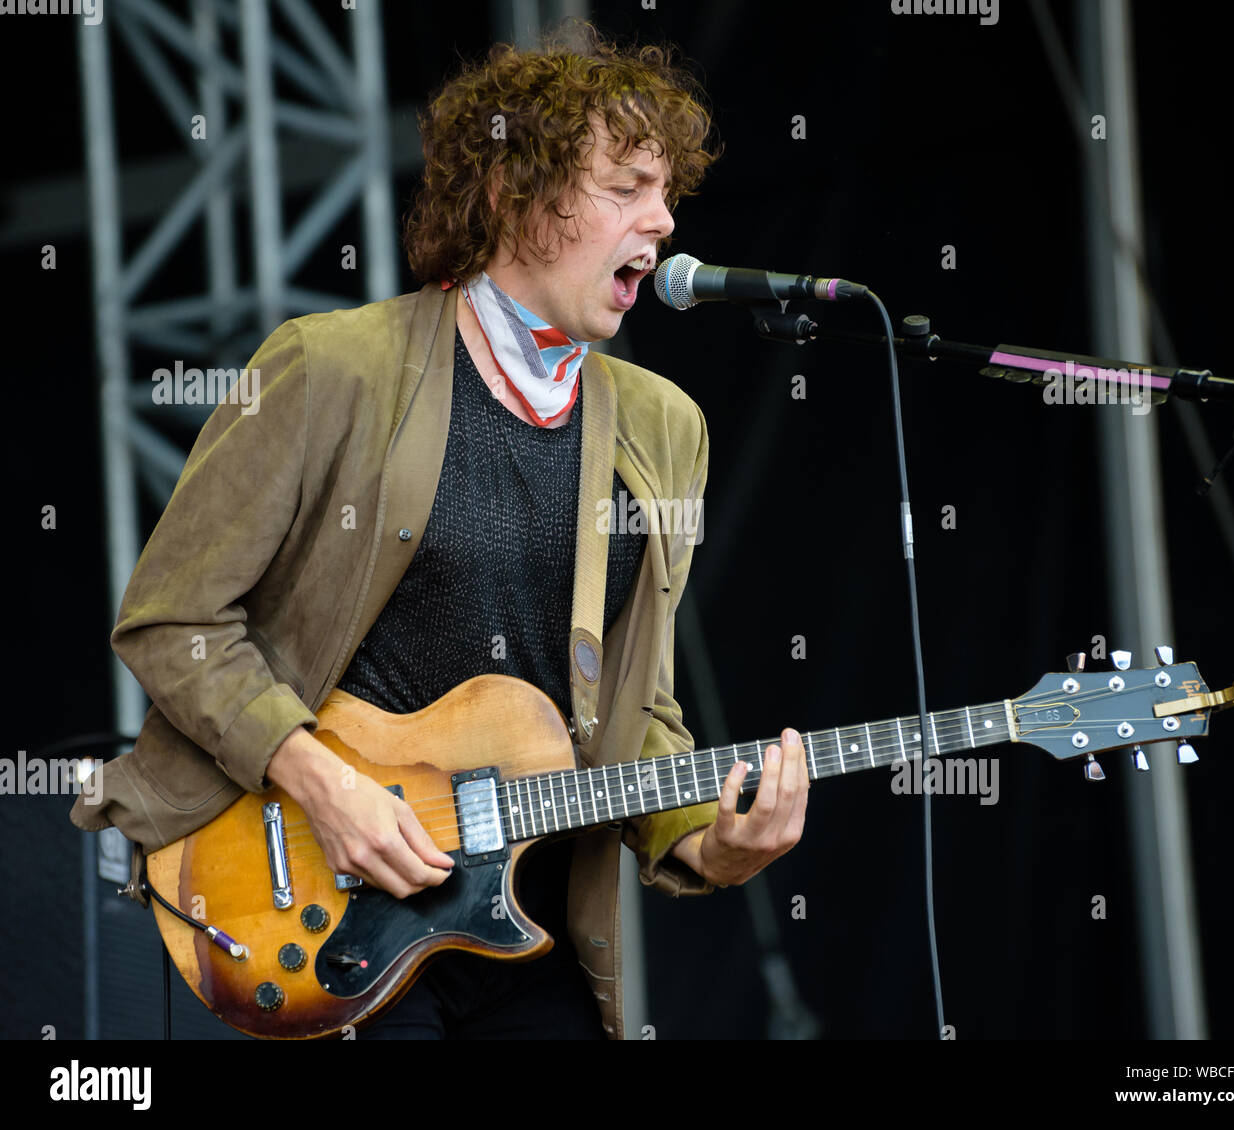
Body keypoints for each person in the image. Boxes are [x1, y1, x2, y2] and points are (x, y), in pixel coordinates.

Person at [71, 22, 808, 1040]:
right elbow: (170, 620)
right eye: (628, 185)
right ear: (512, 192)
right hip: (313, 914)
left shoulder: (661, 426)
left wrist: (711, 843)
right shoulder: (333, 368)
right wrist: (319, 780)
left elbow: (636, 707)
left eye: (668, 189)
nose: (665, 219)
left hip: (522, 926)